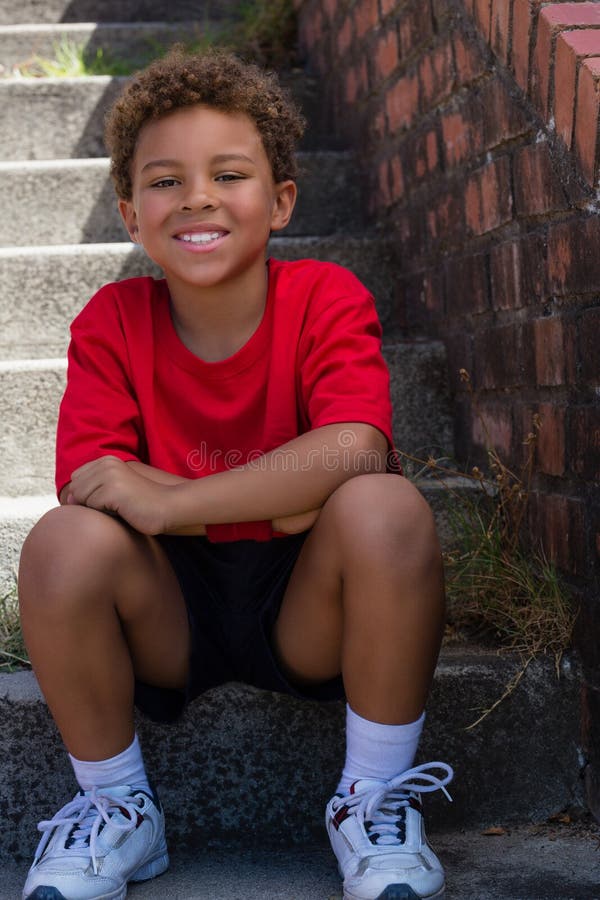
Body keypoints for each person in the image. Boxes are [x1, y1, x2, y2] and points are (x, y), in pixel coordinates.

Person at [18, 48, 452, 900]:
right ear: (129, 213)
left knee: (386, 510)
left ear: (283, 199)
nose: (198, 198)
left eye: (228, 173)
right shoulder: (112, 319)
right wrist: (280, 495)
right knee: (62, 544)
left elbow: (354, 450)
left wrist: (172, 498)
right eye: (165, 181)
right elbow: (94, 487)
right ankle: (116, 810)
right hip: (166, 614)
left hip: (307, 603)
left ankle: (372, 798)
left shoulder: (325, 296)